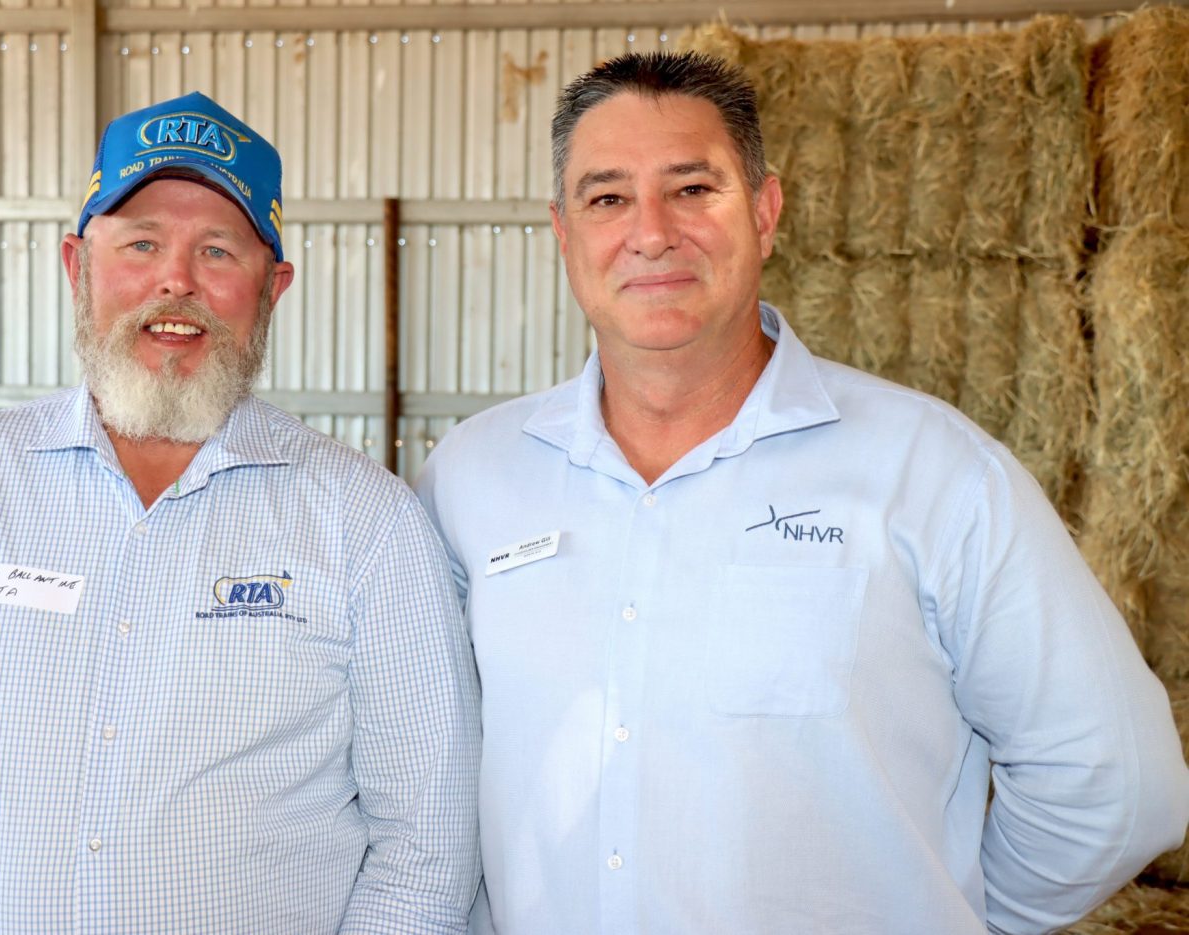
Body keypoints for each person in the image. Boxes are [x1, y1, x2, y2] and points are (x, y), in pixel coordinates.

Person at [414, 52, 1189, 934]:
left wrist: (959, 912)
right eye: (607, 198)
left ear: (767, 212)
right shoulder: (473, 478)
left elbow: (1118, 782)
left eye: (694, 188)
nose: (652, 231)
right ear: (564, 234)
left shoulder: (932, 473)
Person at [0, 91, 480, 934]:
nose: (177, 280)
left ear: (272, 288)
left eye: (217, 251)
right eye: (141, 243)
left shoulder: (363, 520)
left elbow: (426, 835)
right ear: (75, 267)